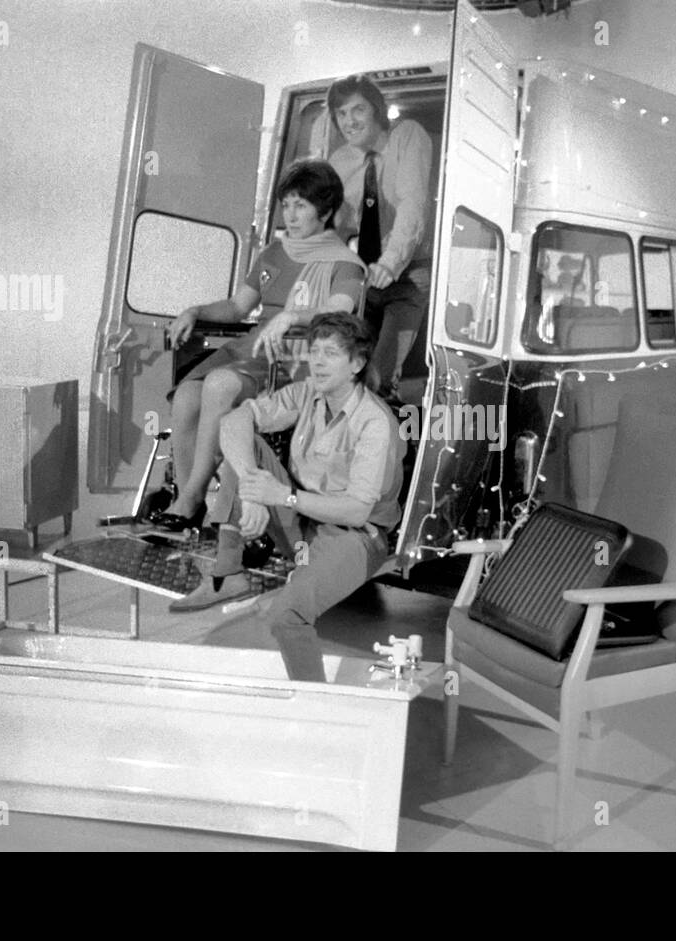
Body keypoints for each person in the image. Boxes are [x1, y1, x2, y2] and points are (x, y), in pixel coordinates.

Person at [169, 313, 403, 684]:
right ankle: (227, 573)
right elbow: (233, 422)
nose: (318, 362)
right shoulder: (308, 392)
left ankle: (313, 703)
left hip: (354, 536)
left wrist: (283, 496)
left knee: (286, 617)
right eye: (314, 352)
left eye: (331, 353)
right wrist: (254, 487)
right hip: (303, 531)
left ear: (356, 364)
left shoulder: (375, 422)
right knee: (248, 449)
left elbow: (358, 510)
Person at [150, 160, 367, 531]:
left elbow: (338, 313)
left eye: (301, 205)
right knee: (187, 395)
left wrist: (292, 317)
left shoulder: (346, 264)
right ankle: (188, 500)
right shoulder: (273, 254)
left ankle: (191, 499)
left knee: (218, 384)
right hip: (255, 349)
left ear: (326, 211)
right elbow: (238, 306)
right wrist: (196, 309)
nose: (291, 214)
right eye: (286, 205)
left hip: (297, 357)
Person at [326, 74, 433, 404]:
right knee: (347, 375)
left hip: (408, 274)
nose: (349, 121)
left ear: (377, 110)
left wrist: (390, 262)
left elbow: (411, 204)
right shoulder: (339, 161)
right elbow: (335, 224)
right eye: (341, 114)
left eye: (357, 110)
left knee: (378, 378)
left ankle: (387, 450)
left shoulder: (407, 136)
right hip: (365, 278)